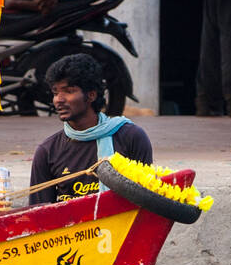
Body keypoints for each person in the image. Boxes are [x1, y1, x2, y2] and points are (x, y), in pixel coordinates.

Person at [28, 54, 153, 206]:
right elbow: (38, 216)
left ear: (91, 95)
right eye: (55, 93)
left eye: (68, 91)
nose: (58, 99)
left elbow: (148, 200)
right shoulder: (48, 151)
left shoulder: (131, 137)